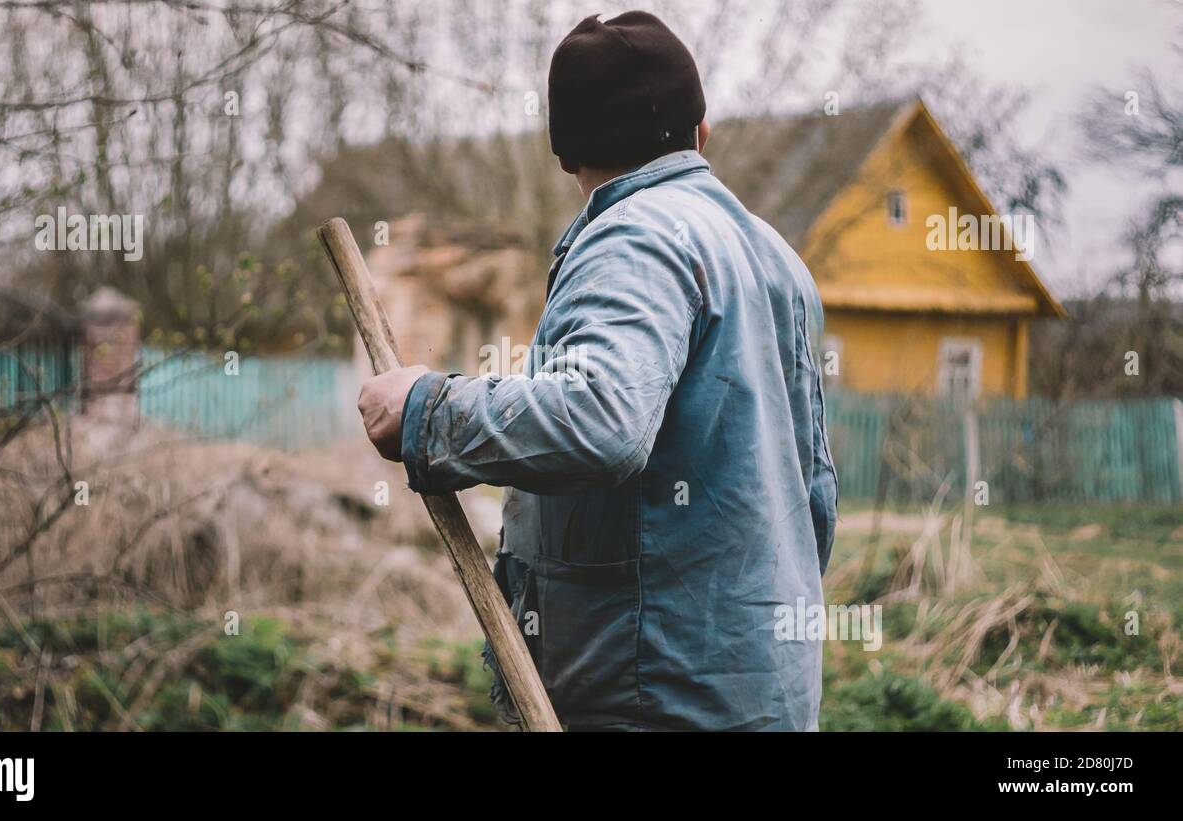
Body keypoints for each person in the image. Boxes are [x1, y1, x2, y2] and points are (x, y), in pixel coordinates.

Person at [356, 10, 837, 731]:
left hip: (656, 703)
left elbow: (601, 418)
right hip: (766, 696)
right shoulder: (773, 256)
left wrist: (427, 410)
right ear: (702, 132)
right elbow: (815, 497)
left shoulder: (631, 239)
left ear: (565, 155)